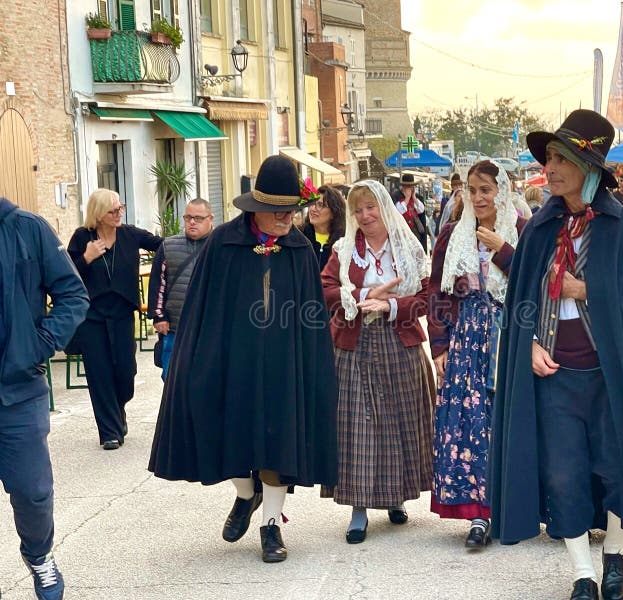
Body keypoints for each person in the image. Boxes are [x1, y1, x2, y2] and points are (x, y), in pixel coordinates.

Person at [490, 110, 623, 600]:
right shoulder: (541, 228)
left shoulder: (622, 227)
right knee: (564, 475)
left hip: (612, 373)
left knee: (617, 468)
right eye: (550, 158)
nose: (551, 166)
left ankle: (615, 558)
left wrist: (589, 289)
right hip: (555, 375)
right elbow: (521, 299)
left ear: (589, 167)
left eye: (562, 158)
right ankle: (582, 572)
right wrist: (531, 344)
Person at [148, 155, 338, 563]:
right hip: (231, 362)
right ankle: (244, 495)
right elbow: (202, 305)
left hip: (282, 368)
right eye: (279, 212)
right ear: (259, 209)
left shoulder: (299, 250)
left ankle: (271, 525)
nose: (288, 219)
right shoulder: (223, 243)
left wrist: (312, 368)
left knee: (277, 443)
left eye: (292, 211)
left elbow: (311, 315)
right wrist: (193, 360)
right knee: (227, 433)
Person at [320, 180, 433, 544]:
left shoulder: (408, 248)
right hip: (354, 343)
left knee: (399, 420)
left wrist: (391, 305)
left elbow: (428, 295)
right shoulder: (344, 249)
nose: (364, 215)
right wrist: (365, 294)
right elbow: (323, 290)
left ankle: (395, 496)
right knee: (356, 425)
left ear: (385, 208)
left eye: (371, 207)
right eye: (358, 209)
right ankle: (359, 508)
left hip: (399, 342)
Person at [428, 160, 526, 549]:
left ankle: (514, 506)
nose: (479, 196)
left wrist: (503, 251)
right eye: (472, 189)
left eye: (486, 189)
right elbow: (437, 291)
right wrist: (439, 345)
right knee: (471, 426)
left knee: (508, 420)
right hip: (467, 339)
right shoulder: (453, 234)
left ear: (501, 191)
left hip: (509, 337)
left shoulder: (520, 231)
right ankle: (478, 514)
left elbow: (535, 281)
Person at [0, 196, 88, 600]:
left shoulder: (26, 228)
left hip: (16, 392)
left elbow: (73, 293)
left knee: (33, 492)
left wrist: (40, 343)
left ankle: (39, 556)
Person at [67, 189, 162, 450]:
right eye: (113, 210)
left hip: (121, 314)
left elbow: (162, 244)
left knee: (125, 372)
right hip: (91, 316)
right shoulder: (82, 237)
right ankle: (109, 432)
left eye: (121, 208)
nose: (119, 213)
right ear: (98, 214)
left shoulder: (130, 234)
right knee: (99, 373)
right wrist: (86, 257)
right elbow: (66, 273)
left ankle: (118, 409)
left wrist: (197, 238)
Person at [147, 198, 214, 380]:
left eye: (198, 218)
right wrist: (159, 316)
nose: (192, 222)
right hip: (174, 328)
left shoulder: (220, 247)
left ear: (210, 219)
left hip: (210, 328)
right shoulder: (168, 246)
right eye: (188, 217)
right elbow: (157, 284)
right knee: (171, 379)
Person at [301, 185, 346, 271]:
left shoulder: (343, 241)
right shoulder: (300, 236)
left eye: (320, 205)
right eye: (312, 204)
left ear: (333, 212)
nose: (313, 209)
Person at [394, 173, 428, 251]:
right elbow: (398, 211)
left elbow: (421, 210)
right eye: (407, 186)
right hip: (402, 232)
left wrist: (414, 198)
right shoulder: (396, 196)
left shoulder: (418, 197)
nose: (410, 189)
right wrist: (407, 198)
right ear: (403, 187)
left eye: (411, 186)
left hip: (415, 232)